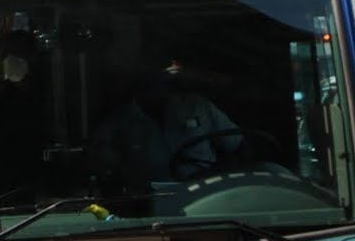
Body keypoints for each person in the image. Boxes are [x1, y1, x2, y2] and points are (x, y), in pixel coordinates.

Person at [91, 65, 243, 191]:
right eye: (150, 78)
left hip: (208, 198)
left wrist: (220, 178)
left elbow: (238, 146)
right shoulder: (119, 123)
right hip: (152, 207)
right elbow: (105, 171)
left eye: (162, 75)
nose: (158, 85)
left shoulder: (198, 106)